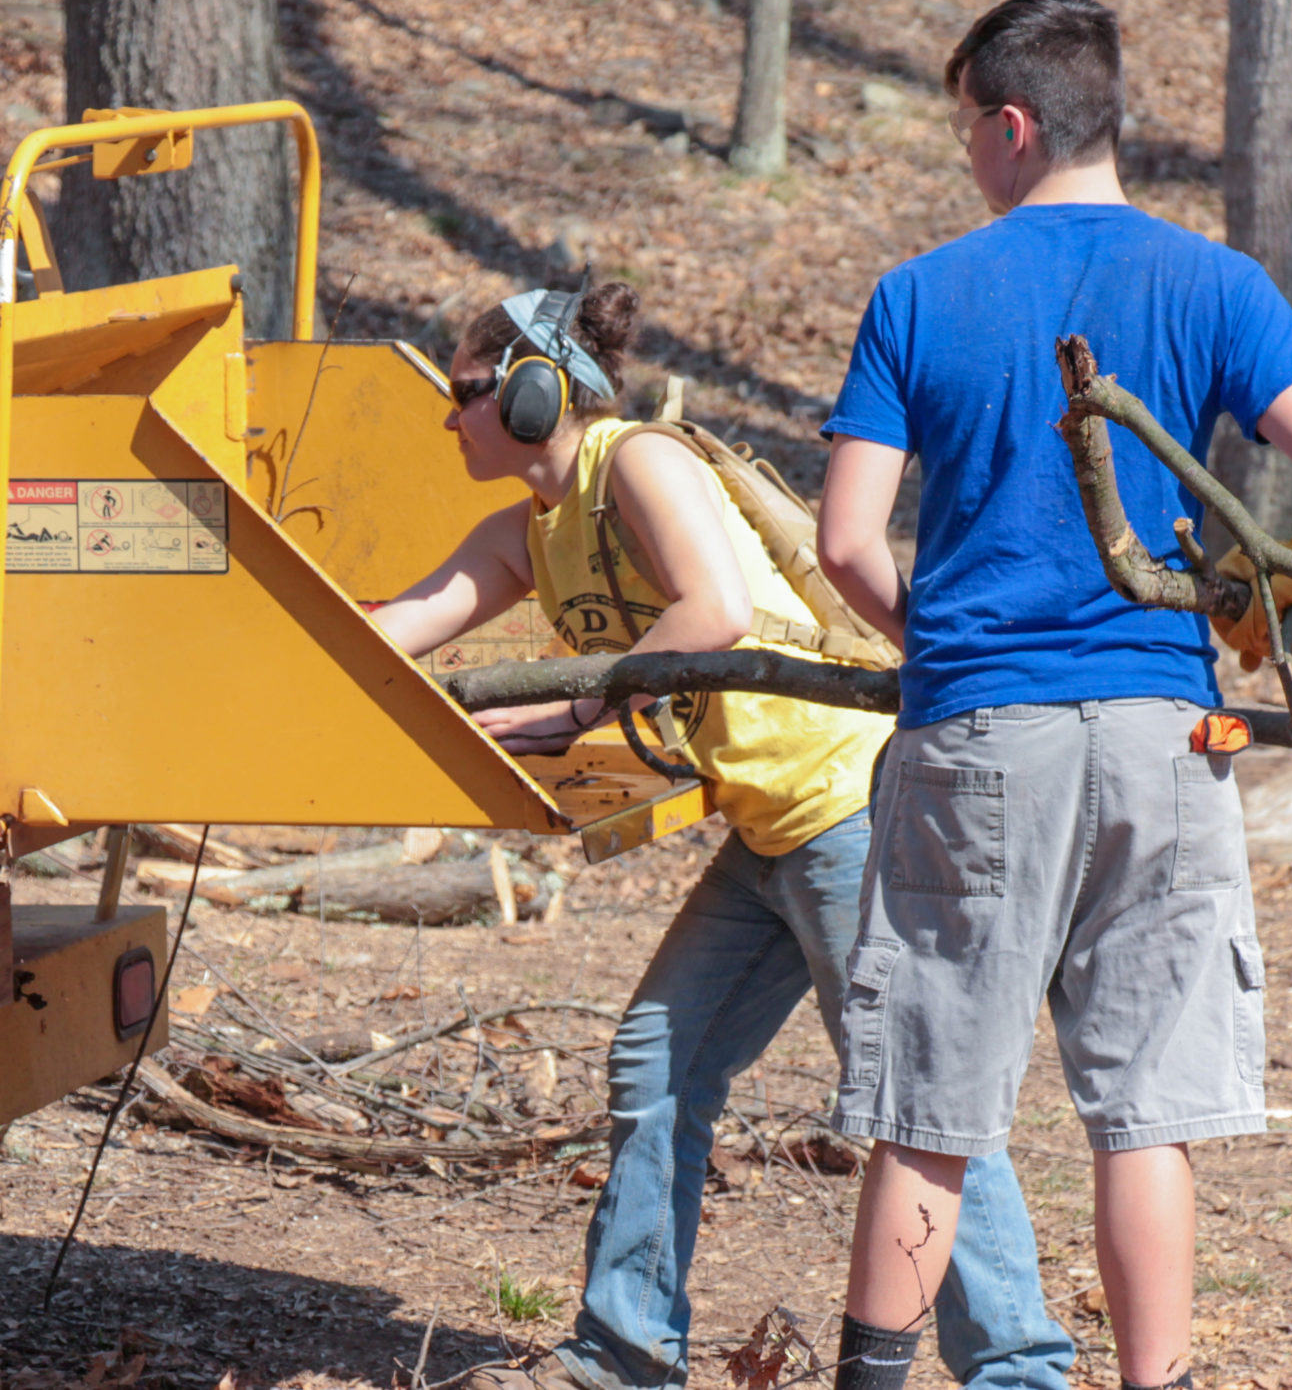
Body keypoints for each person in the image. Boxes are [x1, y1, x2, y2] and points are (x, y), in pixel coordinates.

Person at [815, 0, 1292, 1390]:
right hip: (1165, 733)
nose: (970, 156)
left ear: (1013, 126)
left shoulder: (918, 294)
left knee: (932, 1105)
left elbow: (844, 540)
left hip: (976, 734)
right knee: (1145, 1113)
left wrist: (943, 645)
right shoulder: (1218, 286)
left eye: (970, 129)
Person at [372, 278, 1071, 1390]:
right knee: (659, 1062)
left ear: (534, 392)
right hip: (771, 830)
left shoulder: (638, 461)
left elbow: (713, 613)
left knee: (916, 1104)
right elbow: (388, 631)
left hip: (851, 803)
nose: (444, 418)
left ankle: (1020, 1371)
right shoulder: (528, 533)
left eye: (460, 392)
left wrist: (576, 704)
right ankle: (624, 1354)